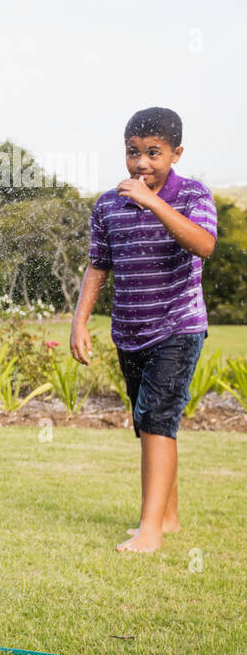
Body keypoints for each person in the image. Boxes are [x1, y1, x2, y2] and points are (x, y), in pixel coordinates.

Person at [69, 107, 217, 553]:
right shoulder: (109, 204)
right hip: (130, 330)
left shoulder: (192, 194)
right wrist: (79, 322)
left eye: (153, 153)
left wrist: (153, 202)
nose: (141, 164)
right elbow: (98, 266)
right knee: (148, 422)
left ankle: (149, 531)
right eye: (133, 153)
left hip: (178, 325)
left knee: (157, 419)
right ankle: (166, 518)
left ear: (176, 153)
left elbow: (204, 244)